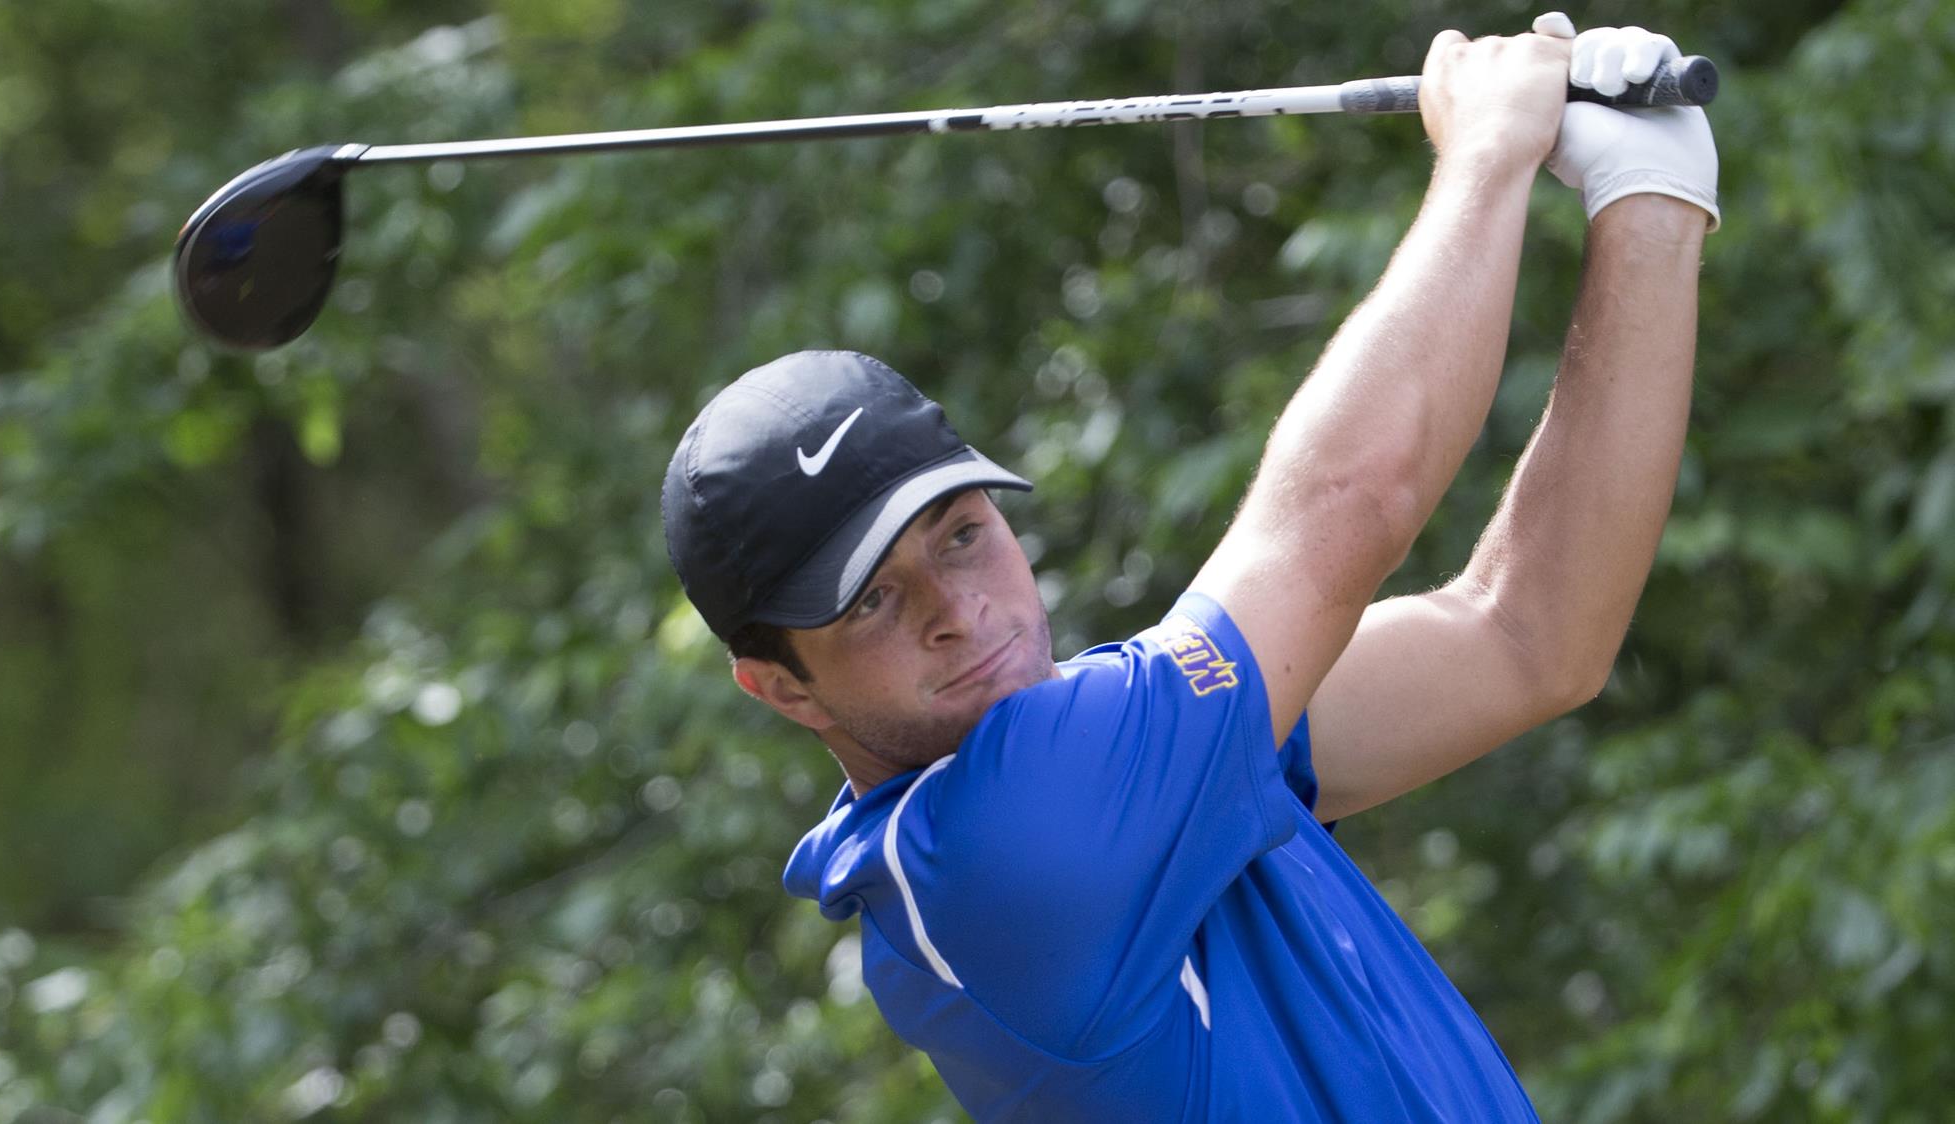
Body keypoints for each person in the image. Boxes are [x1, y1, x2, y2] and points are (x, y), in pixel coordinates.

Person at [660, 13, 1716, 1121]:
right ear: (780, 686)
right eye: (872, 599)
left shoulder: (1145, 756)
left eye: (961, 535)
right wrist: (1487, 148)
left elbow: (1526, 635)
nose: (955, 611)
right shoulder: (994, 850)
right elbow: (1352, 503)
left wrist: (1648, 202)